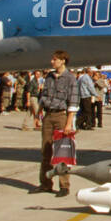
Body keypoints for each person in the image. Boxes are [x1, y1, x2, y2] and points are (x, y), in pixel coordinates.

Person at [33, 50, 78, 195]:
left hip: (61, 117)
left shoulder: (70, 78)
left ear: (63, 60)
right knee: (45, 151)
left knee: (62, 152)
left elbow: (73, 101)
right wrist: (37, 114)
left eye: (55, 59)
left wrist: (68, 123)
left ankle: (64, 186)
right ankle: (45, 183)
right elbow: (43, 96)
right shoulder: (49, 77)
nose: (52, 62)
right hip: (48, 115)